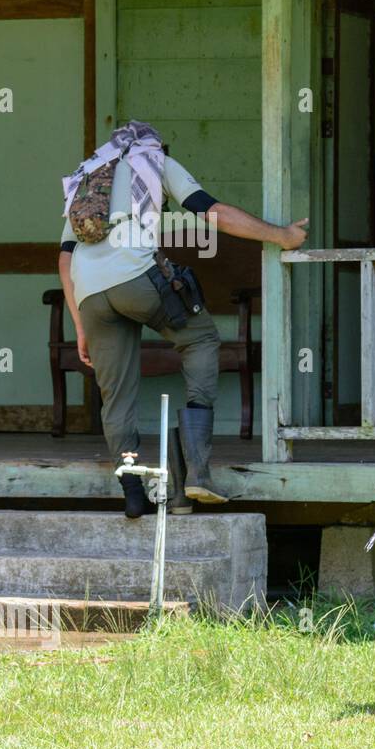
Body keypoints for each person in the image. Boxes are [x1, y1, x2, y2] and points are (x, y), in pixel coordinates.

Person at [58, 120, 308, 517]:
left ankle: (133, 493)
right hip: (135, 280)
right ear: (157, 145)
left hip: (89, 293)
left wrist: (80, 325)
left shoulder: (89, 177)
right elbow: (214, 213)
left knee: (116, 396)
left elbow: (66, 257)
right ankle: (196, 471)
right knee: (200, 339)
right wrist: (281, 235)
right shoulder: (156, 162)